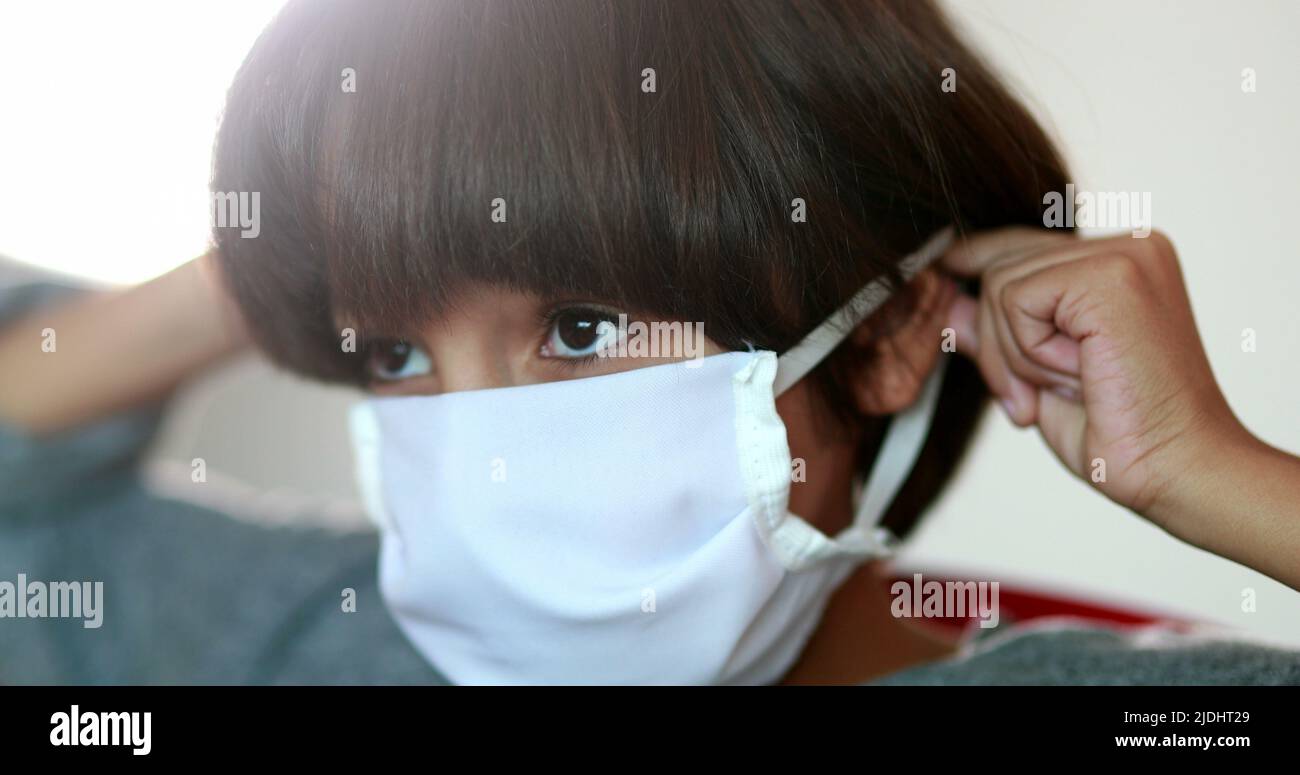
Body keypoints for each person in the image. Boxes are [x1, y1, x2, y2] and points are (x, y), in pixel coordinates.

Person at [1, 0, 1297, 685]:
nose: (479, 455)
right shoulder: (313, 645)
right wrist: (296, 242)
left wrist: (1213, 472)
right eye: (397, 356)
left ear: (893, 334)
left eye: (577, 328)